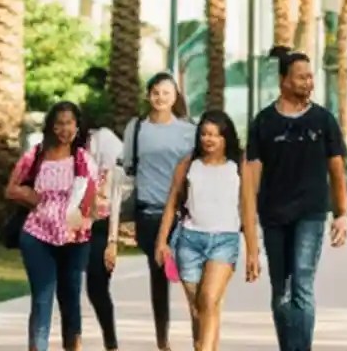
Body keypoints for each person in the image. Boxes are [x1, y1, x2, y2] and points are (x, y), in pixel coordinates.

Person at [246, 46, 347, 351]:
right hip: (274, 215)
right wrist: (249, 226)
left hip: (311, 213)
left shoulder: (323, 119)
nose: (308, 82)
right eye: (301, 77)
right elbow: (252, 176)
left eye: (310, 76)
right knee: (281, 290)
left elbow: (337, 169)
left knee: (302, 284)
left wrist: (342, 213)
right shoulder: (264, 122)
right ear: (283, 80)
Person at [154, 111, 260, 351]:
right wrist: (162, 243)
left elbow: (247, 211)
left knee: (209, 300)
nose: (208, 139)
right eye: (204, 134)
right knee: (199, 310)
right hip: (189, 242)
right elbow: (171, 204)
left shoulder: (239, 165)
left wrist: (253, 252)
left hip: (224, 241)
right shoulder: (188, 164)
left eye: (215, 135)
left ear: (225, 138)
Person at [108, 72, 196, 351]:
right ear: (148, 95)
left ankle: (201, 339)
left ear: (176, 97)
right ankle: (163, 342)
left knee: (191, 278)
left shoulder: (188, 131)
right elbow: (128, 171)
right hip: (150, 214)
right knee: (158, 278)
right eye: (156, 92)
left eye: (166, 93)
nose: (160, 98)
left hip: (182, 216)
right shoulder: (137, 129)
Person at [6, 101, 97, 351]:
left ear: (77, 126)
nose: (64, 129)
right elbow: (11, 188)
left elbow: (92, 200)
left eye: (69, 123)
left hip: (74, 239)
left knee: (70, 300)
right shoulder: (35, 155)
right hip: (37, 235)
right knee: (42, 300)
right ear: (51, 127)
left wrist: (86, 213)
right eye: (59, 123)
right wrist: (30, 196)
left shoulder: (84, 160)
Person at [85, 119, 123, 350]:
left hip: (99, 223)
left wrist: (113, 240)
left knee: (97, 286)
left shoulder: (104, 139)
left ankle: (110, 342)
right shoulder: (60, 149)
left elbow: (115, 195)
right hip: (69, 225)